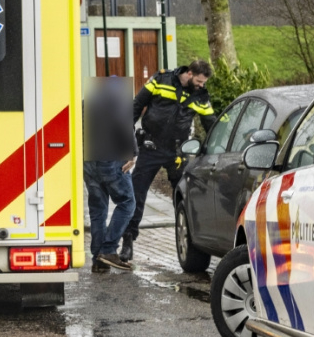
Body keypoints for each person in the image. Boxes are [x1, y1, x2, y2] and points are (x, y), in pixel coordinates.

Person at [121, 60, 217, 262]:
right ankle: (128, 240)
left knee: (183, 198)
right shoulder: (161, 79)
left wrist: (222, 146)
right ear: (189, 74)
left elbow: (211, 123)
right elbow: (136, 106)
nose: (202, 85)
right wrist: (126, 142)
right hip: (151, 147)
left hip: (177, 152)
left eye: (204, 83)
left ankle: (191, 244)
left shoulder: (200, 95)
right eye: (199, 81)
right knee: (137, 194)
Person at [83, 77, 138, 272]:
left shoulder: (86, 103)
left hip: (88, 161)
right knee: (127, 203)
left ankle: (98, 260)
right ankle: (108, 250)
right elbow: (123, 125)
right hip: (111, 159)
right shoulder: (116, 101)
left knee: (98, 210)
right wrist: (132, 153)